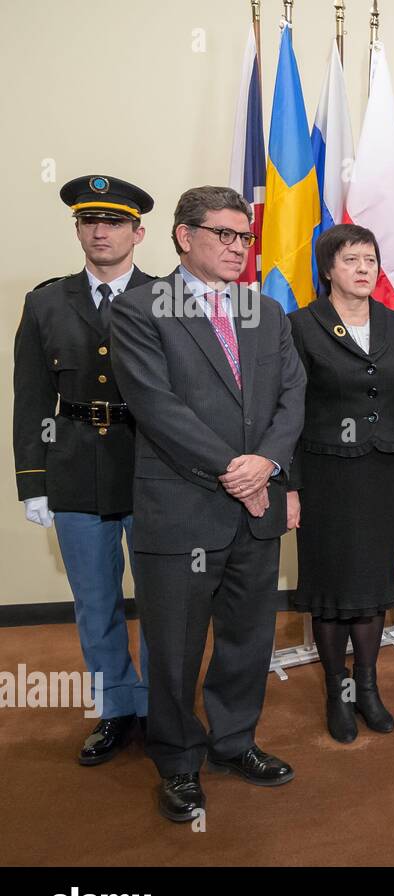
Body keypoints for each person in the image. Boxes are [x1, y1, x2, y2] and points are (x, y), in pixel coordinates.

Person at [110, 186, 306, 822]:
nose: (236, 247)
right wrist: (233, 469)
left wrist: (267, 465)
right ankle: (176, 759)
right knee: (175, 645)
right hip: (184, 507)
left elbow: (292, 400)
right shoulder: (140, 309)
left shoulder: (266, 312)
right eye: (222, 234)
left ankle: (233, 741)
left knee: (248, 639)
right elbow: (157, 407)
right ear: (182, 236)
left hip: (256, 508)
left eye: (243, 236)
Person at [12, 175, 154, 764]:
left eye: (114, 221)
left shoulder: (169, 296)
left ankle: (159, 706)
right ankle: (117, 709)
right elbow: (29, 397)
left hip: (154, 471)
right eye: (88, 221)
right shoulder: (46, 301)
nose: (100, 231)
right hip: (74, 470)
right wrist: (34, 481)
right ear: (77, 229)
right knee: (95, 601)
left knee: (163, 600)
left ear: (138, 232)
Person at [286, 224, 394, 742]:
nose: (364, 268)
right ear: (328, 269)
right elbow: (289, 413)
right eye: (351, 260)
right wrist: (290, 486)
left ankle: (368, 687)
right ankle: (337, 690)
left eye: (370, 259)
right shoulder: (299, 326)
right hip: (324, 475)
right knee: (331, 590)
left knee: (372, 588)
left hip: (382, 472)